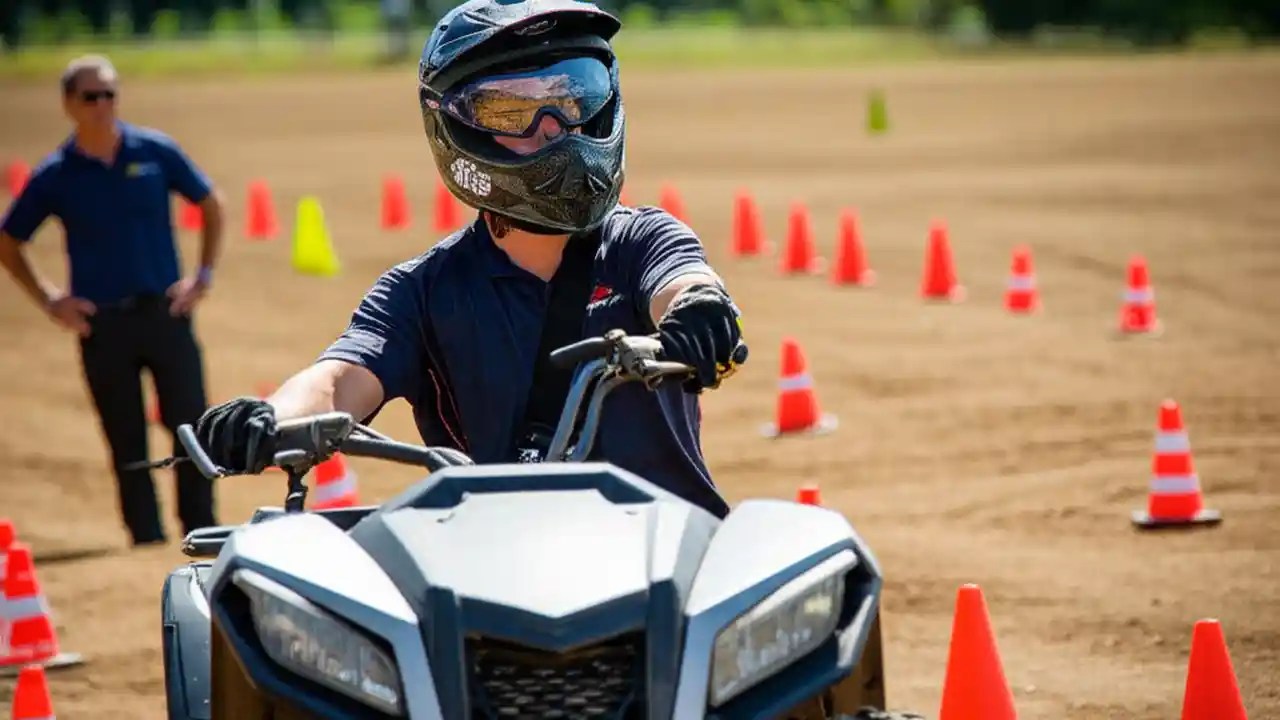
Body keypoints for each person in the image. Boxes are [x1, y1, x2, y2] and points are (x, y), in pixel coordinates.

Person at [193, 0, 748, 518]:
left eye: (571, 97)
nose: (553, 128)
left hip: (662, 549)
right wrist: (272, 416)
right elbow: (339, 382)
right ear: (456, 129)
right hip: (496, 567)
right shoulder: (422, 291)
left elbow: (685, 283)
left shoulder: (642, 240)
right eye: (515, 113)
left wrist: (700, 312)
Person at [0, 55, 225, 546]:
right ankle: (144, 536)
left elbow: (211, 204)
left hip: (166, 314)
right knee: (126, 437)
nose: (102, 104)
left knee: (192, 425)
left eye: (110, 93)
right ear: (68, 105)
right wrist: (50, 300)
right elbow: (8, 240)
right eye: (90, 96)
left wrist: (201, 276)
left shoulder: (155, 151)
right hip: (103, 326)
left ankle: (202, 530)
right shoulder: (56, 175)